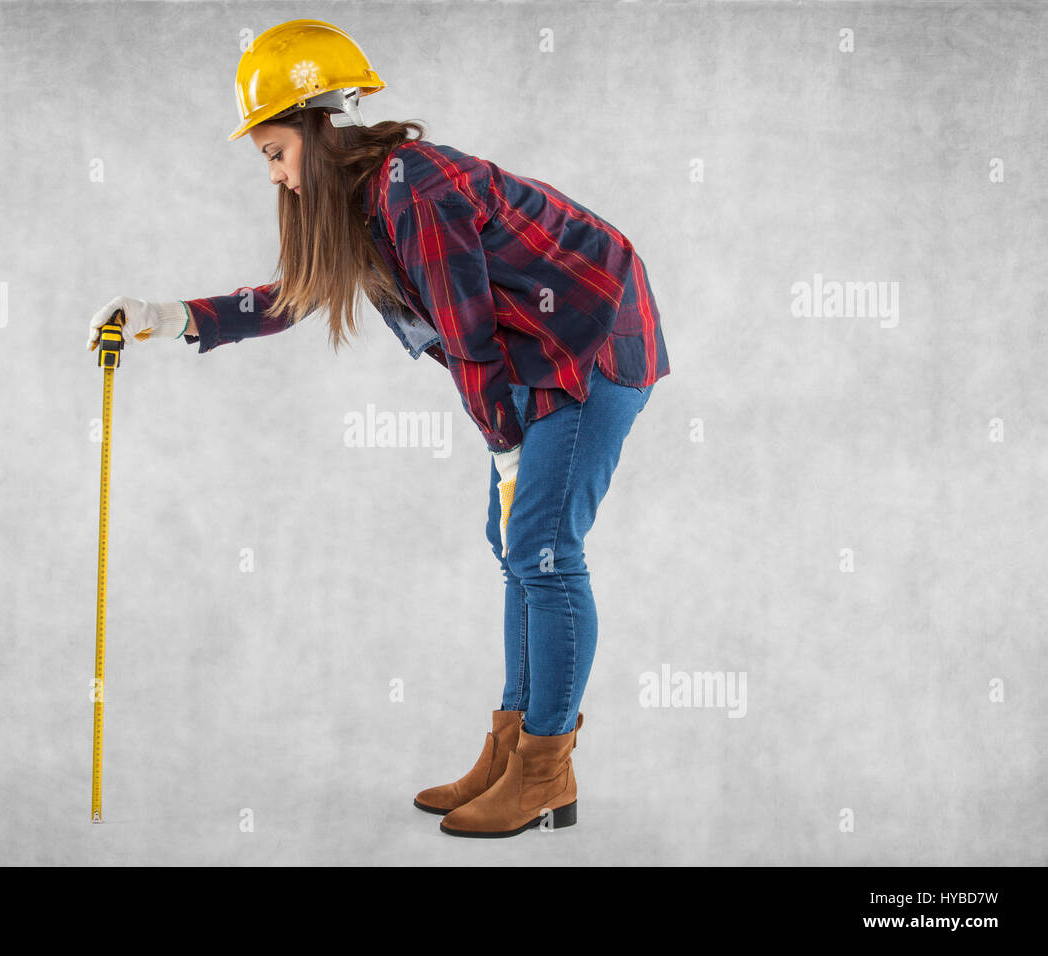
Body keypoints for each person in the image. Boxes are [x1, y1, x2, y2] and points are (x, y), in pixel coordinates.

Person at [85, 18, 669, 838]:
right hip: (536, 357)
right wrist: (167, 315)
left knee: (543, 545)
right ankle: (509, 751)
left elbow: (466, 333)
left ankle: (546, 771)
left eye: (276, 153)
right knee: (514, 545)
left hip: (593, 338)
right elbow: (291, 296)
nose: (279, 178)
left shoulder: (413, 191)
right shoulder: (364, 203)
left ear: (321, 125)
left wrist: (503, 447)